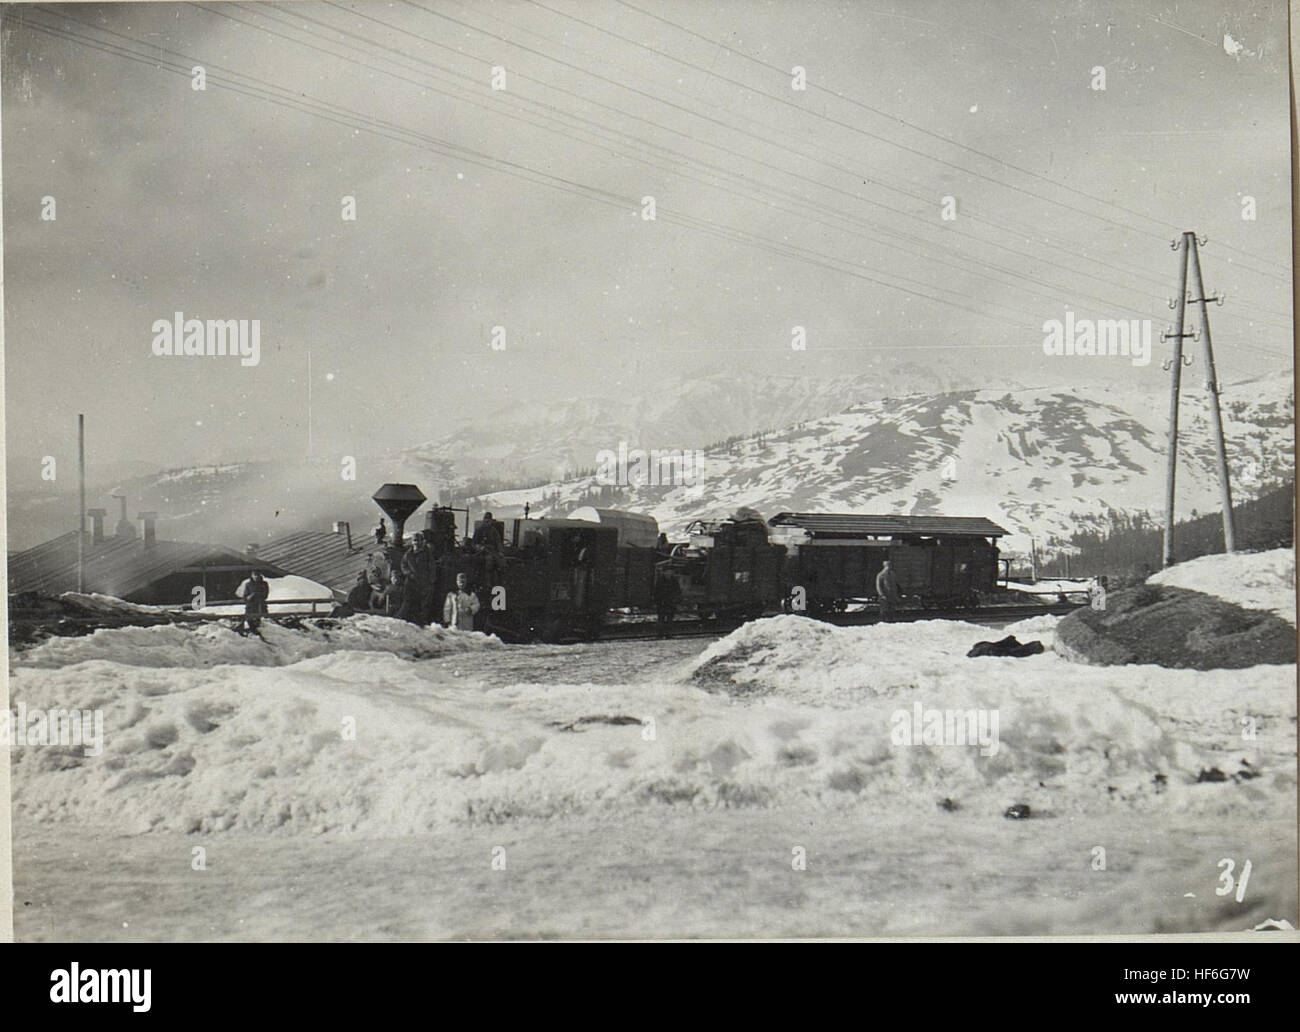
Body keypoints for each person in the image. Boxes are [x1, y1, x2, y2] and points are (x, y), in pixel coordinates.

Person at [399, 533, 436, 624]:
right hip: (412, 581)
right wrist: (409, 573)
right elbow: (403, 565)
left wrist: (431, 579)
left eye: (418, 540)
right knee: (409, 600)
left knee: (424, 603)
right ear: (412, 542)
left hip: (424, 581)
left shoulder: (426, 553)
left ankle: (423, 621)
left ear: (422, 542)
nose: (416, 543)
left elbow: (432, 566)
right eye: (414, 541)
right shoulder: (408, 554)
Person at [653, 569, 681, 638]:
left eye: (670, 572)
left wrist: (675, 600)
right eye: (667, 572)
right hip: (662, 603)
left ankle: (669, 634)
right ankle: (660, 634)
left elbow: (677, 591)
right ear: (664, 572)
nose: (668, 573)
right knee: (661, 619)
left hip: (670, 603)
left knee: (669, 620)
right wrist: (657, 601)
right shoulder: (660, 581)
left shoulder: (674, 580)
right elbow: (656, 591)